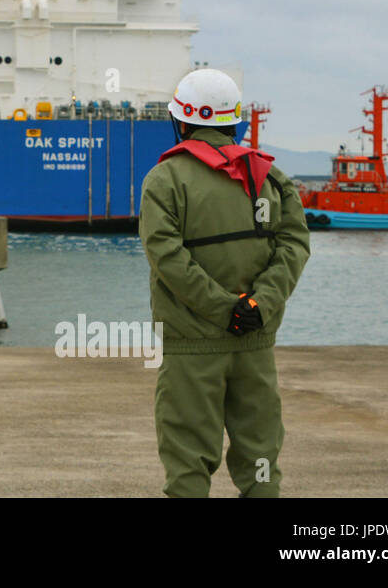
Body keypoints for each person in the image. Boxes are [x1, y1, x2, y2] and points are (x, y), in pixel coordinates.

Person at [138, 68, 310, 498]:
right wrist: (257, 307)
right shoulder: (271, 179)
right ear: (235, 121)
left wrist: (223, 308)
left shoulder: (165, 180)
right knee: (261, 465)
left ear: (181, 122)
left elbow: (167, 257)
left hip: (193, 345)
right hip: (255, 341)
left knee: (188, 466)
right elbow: (293, 246)